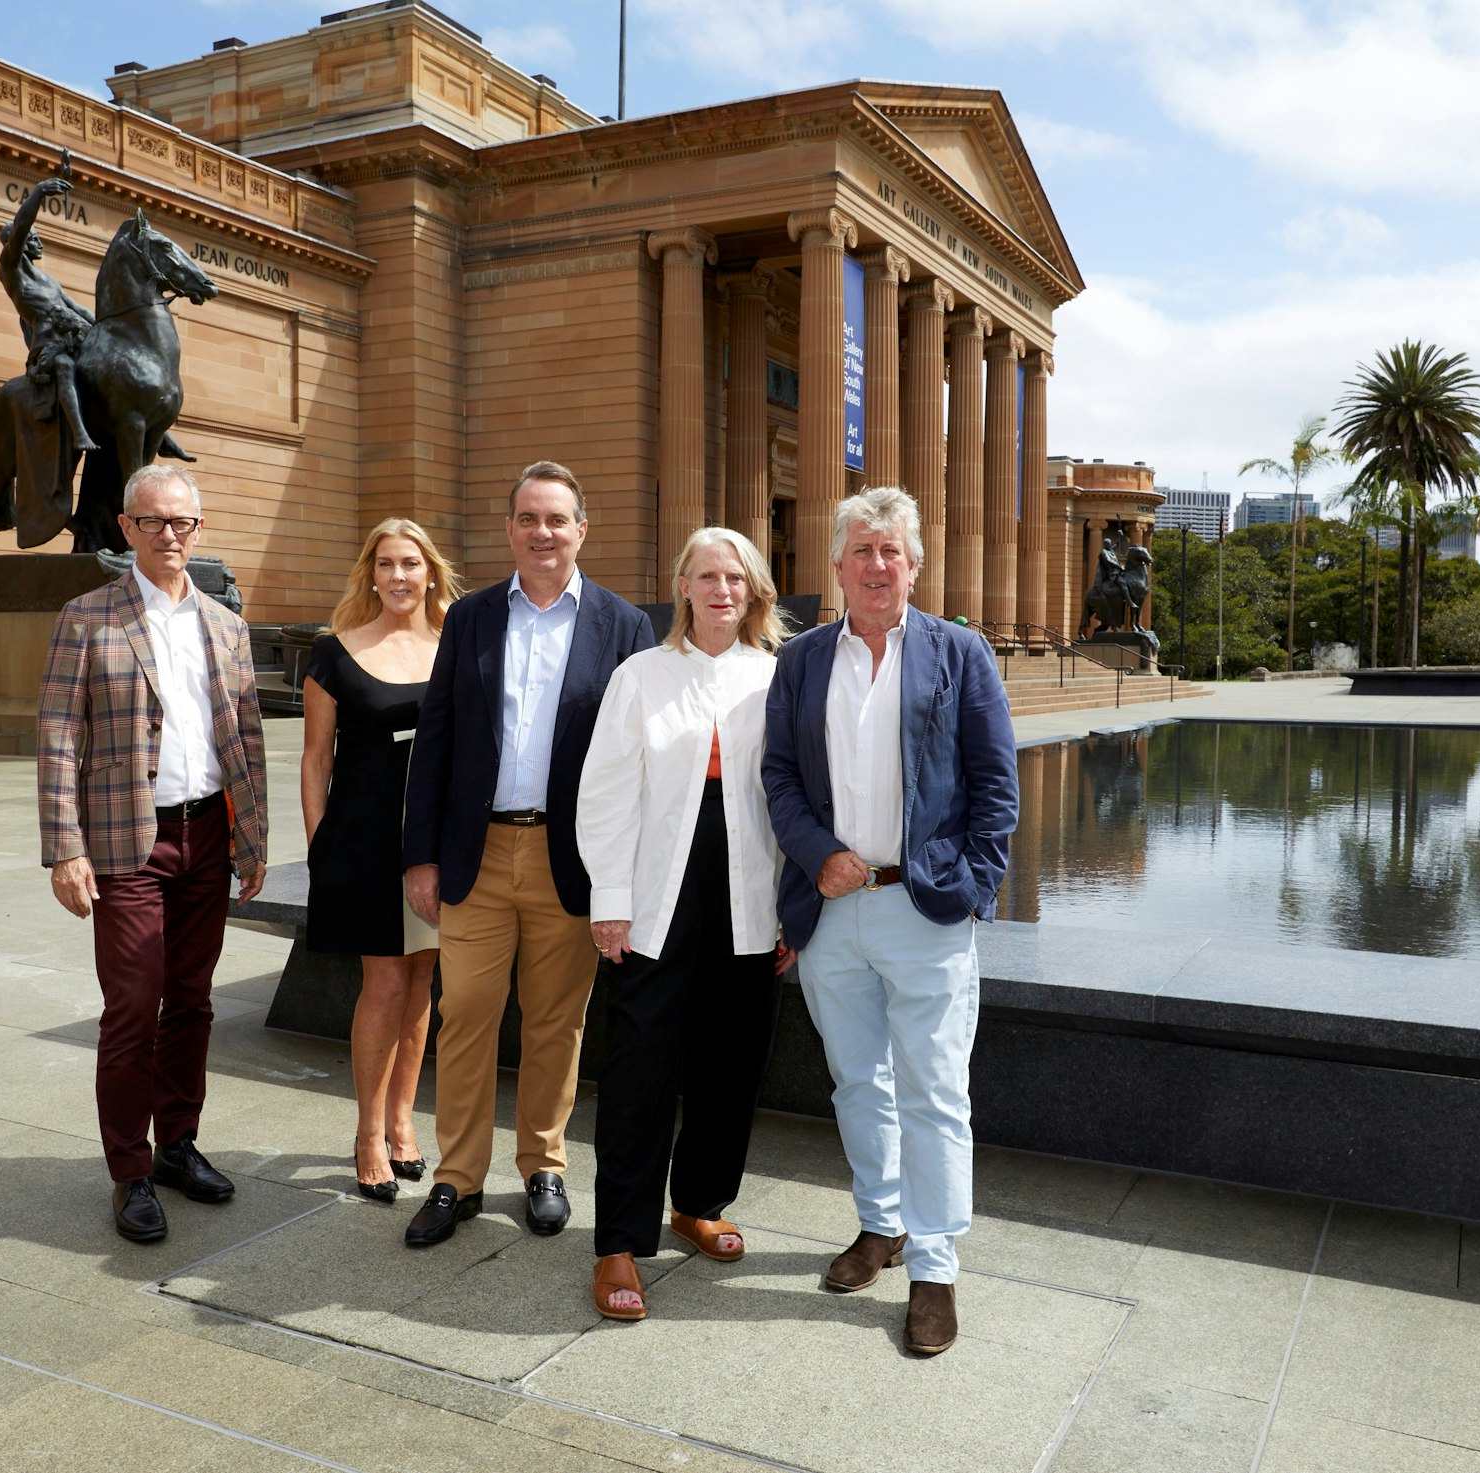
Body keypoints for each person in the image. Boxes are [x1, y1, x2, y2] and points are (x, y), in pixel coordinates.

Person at [762, 486, 1019, 1358]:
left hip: (925, 906)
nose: (877, 565)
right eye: (861, 550)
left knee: (936, 1089)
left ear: (915, 565)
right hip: (832, 910)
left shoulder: (960, 653)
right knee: (856, 1081)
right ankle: (882, 1224)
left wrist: (973, 884)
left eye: (891, 551)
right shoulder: (799, 663)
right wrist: (816, 854)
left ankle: (935, 1265)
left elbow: (995, 785)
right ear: (836, 566)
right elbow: (779, 779)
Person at [400, 461, 653, 1248]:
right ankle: (457, 1177)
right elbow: (434, 739)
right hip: (475, 853)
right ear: (509, 528)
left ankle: (544, 1164)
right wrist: (420, 855)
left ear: (583, 528)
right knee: (466, 1015)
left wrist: (626, 872)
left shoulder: (623, 625)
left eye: (557, 519)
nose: (542, 532)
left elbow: (639, 759)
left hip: (569, 859)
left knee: (556, 1021)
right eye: (528, 518)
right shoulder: (470, 618)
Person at [37, 465, 267, 1243]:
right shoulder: (86, 618)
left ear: (199, 530)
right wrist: (65, 848)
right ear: (128, 529)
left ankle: (178, 1144)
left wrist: (252, 836)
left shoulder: (226, 624)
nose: (171, 535)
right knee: (134, 1004)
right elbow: (58, 737)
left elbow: (247, 737)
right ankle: (129, 1169)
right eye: (155, 521)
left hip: (208, 832)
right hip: (126, 837)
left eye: (184, 523)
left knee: (193, 999)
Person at [576, 528, 796, 1321]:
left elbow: (798, 799)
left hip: (750, 892)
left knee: (731, 1062)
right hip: (657, 893)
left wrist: (793, 908)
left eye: (734, 577)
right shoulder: (641, 674)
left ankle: (698, 1202)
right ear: (683, 586)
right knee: (639, 1066)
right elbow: (604, 791)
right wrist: (610, 897)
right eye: (706, 575)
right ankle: (617, 1240)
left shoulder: (777, 676)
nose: (721, 589)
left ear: (755, 590)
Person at [302, 519, 458, 1203]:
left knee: (424, 981)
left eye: (411, 563)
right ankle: (368, 1132)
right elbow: (315, 758)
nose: (400, 576)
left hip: (437, 841)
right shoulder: (333, 653)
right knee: (386, 984)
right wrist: (318, 846)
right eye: (387, 563)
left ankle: (403, 1120)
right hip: (363, 839)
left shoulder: (456, 646)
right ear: (371, 573)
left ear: (430, 573)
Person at [0, 173, 99, 455]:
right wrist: (39, 193)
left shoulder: (48, 281)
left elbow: (77, 308)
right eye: (34, 238)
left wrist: (104, 326)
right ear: (18, 243)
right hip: (46, 346)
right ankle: (80, 434)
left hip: (75, 337)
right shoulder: (12, 271)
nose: (39, 242)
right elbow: (20, 226)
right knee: (65, 366)